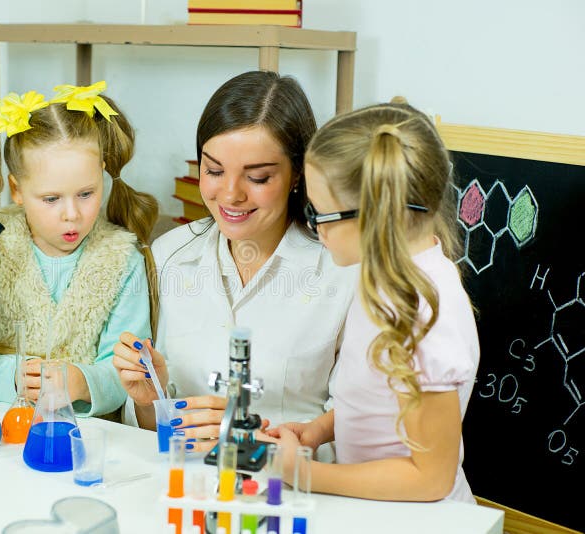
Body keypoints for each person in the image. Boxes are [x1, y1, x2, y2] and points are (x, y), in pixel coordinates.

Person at [113, 71, 356, 453]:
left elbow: (359, 427)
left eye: (257, 177)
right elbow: (149, 432)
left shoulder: (344, 270)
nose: (230, 194)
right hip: (184, 483)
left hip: (295, 492)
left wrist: (253, 442)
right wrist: (149, 399)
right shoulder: (169, 255)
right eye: (213, 170)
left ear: (297, 174)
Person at [266, 101, 479, 502]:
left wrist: (305, 473)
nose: (317, 229)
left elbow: (431, 478)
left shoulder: (425, 314)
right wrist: (321, 429)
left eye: (322, 214)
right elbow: (381, 404)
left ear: (376, 216)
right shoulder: (383, 278)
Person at [0, 82, 158, 418]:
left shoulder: (122, 258)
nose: (72, 213)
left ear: (102, 175)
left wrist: (83, 383)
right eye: (52, 199)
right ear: (17, 189)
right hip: (1, 428)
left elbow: (130, 369)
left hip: (87, 437)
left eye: (86, 193)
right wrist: (11, 376)